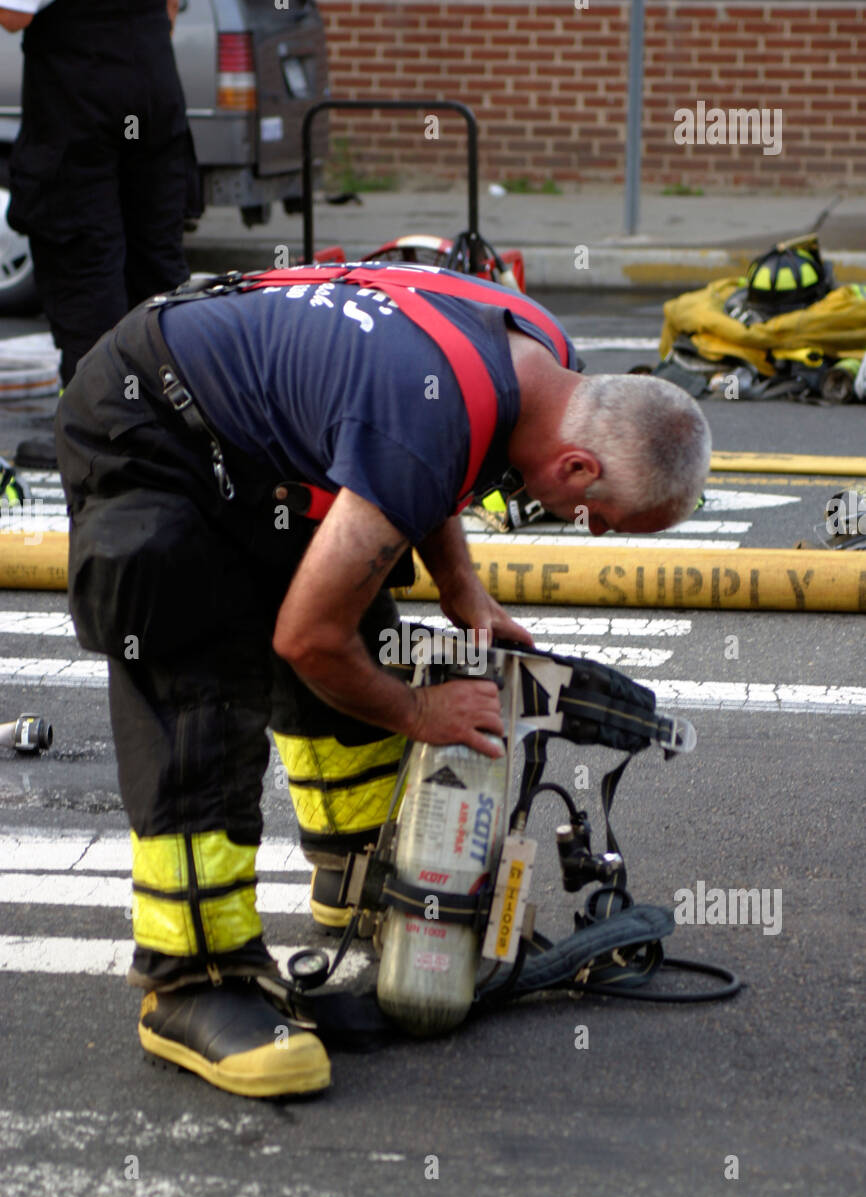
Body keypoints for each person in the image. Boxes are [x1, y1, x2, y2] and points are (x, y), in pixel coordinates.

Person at [55, 261, 711, 1100]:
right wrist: (420, 712)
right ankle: (193, 981)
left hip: (249, 436)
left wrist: (459, 586)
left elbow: (437, 456)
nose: (590, 529)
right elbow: (306, 637)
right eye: (603, 521)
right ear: (579, 469)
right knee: (206, 675)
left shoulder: (543, 355)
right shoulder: (428, 422)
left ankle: (359, 881)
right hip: (148, 420)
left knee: (363, 626)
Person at [0, 0, 191, 391]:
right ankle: (171, 428)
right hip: (153, 85)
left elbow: (13, 15)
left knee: (87, 271)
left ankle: (107, 432)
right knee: (156, 268)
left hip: (80, 96)